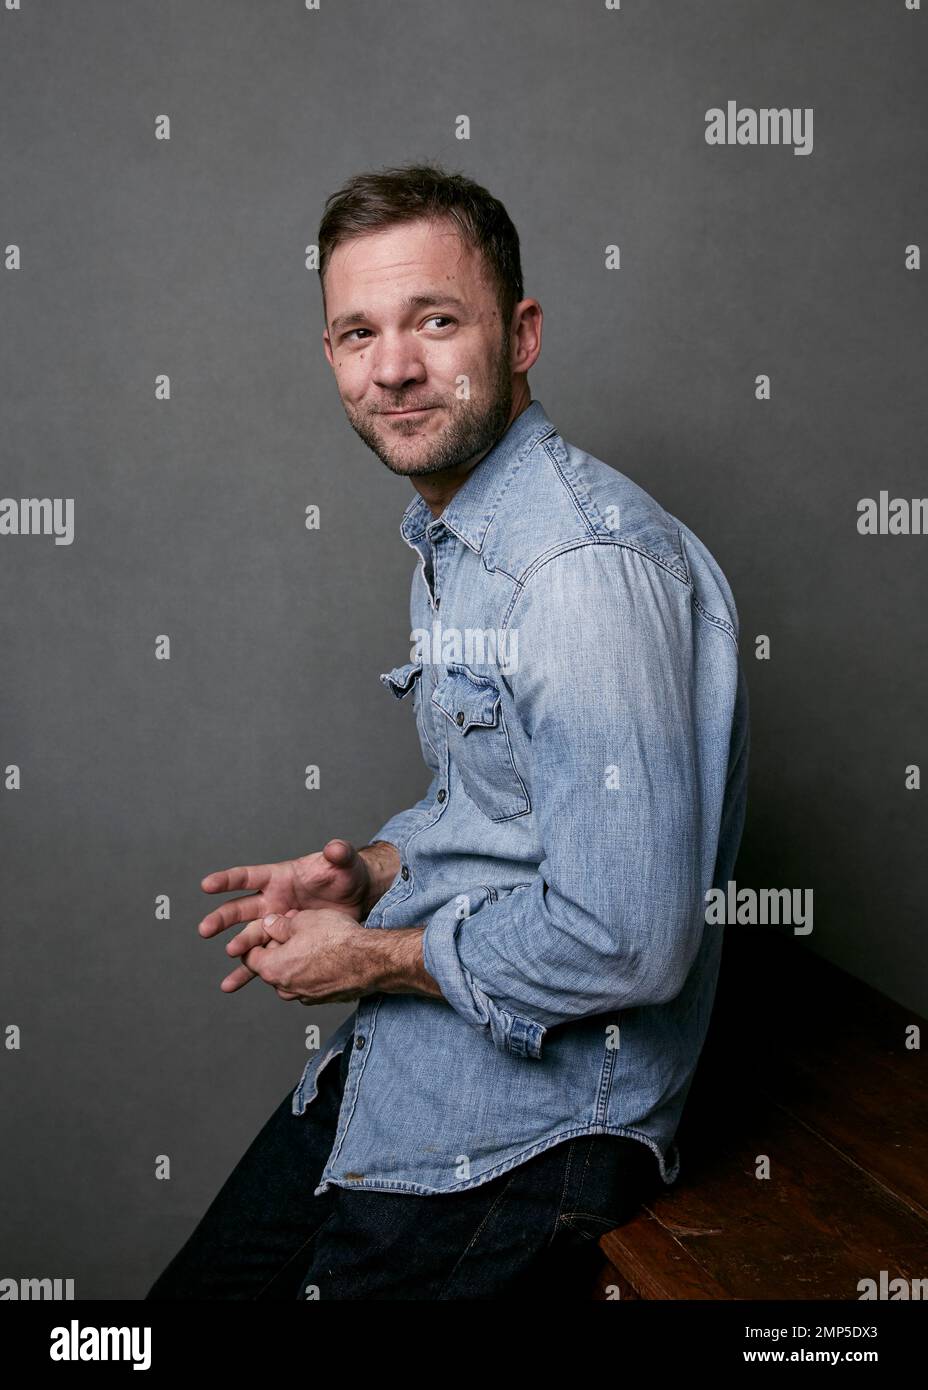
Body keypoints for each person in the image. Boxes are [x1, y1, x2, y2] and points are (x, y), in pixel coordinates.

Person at [146, 162, 750, 1301]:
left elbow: (629, 939)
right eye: (355, 332)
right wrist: (370, 872)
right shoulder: (463, 532)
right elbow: (511, 809)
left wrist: (368, 955)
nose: (393, 368)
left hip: (525, 1134)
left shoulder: (573, 572)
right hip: (410, 1066)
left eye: (434, 320)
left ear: (519, 334)